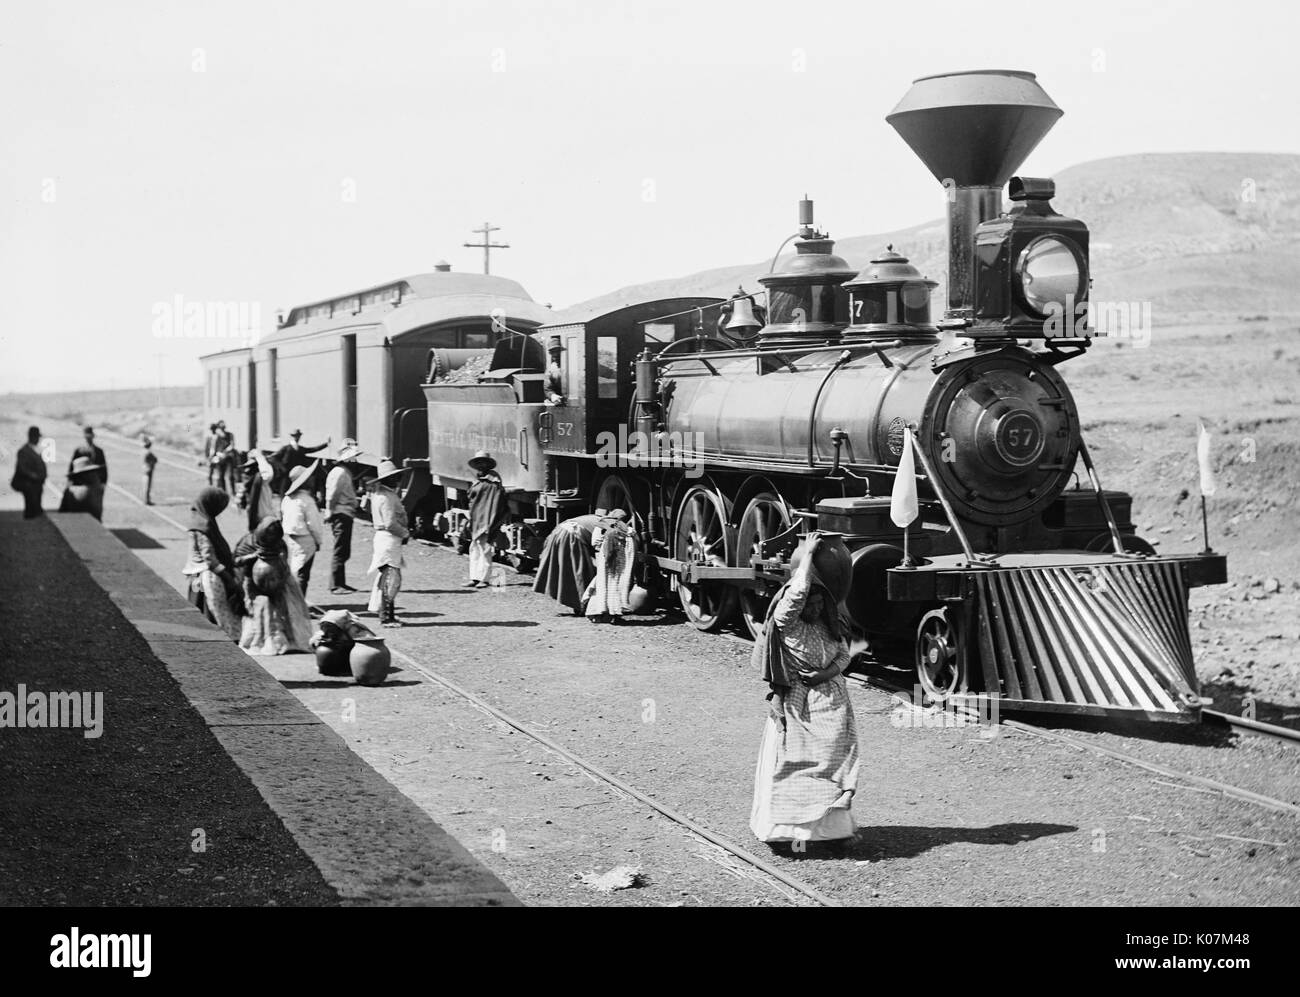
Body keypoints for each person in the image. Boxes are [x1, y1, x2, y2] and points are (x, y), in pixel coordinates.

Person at [750, 533, 860, 846]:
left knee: (835, 758)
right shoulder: (789, 623)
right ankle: (790, 832)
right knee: (798, 762)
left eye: (817, 602)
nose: (812, 606)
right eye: (808, 603)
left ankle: (832, 830)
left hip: (832, 703)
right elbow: (796, 593)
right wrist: (809, 556)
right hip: (798, 704)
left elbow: (842, 655)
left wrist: (825, 672)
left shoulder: (827, 626)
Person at [234, 516, 313, 655]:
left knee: (284, 607)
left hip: (277, 580)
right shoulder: (248, 541)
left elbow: (284, 560)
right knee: (262, 608)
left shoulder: (279, 542)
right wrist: (253, 557)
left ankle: (285, 638)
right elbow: (235, 561)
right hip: (252, 583)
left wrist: (279, 562)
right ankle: (260, 639)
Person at [181, 486, 243, 641]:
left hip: (196, 576)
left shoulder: (199, 517)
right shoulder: (203, 526)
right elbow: (209, 558)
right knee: (210, 612)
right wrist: (227, 577)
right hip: (205, 577)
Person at [366, 459, 408, 627]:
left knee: (388, 577)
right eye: (393, 477)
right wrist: (405, 533)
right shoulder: (387, 497)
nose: (397, 480)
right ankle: (386, 617)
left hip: (384, 538)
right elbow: (390, 523)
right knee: (391, 578)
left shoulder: (379, 494)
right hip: (388, 538)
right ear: (386, 479)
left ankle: (388, 614)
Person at [532, 513, 601, 614]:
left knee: (567, 570)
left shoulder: (598, 519)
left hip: (558, 531)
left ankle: (579, 604)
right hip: (572, 535)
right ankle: (582, 605)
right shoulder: (612, 528)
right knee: (579, 572)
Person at [584, 509, 638, 623]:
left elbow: (595, 543)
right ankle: (614, 615)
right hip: (620, 562)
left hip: (605, 560)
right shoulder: (627, 529)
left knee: (601, 584)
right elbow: (635, 541)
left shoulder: (601, 525)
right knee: (616, 585)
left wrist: (604, 548)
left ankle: (597, 613)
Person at [281, 460, 324, 596]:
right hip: (306, 540)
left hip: (290, 538)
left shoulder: (287, 499)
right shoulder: (307, 500)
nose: (312, 479)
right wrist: (318, 541)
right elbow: (314, 526)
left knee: (295, 570)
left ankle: (295, 600)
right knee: (303, 574)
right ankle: (299, 602)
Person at [465, 451, 506, 589]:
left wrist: (491, 521)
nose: (480, 465)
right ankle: (474, 577)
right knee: (474, 548)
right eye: (478, 463)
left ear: (488, 464)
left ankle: (485, 579)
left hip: (487, 519)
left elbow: (495, 503)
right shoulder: (477, 480)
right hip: (476, 518)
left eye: (483, 462)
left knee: (485, 549)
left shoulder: (493, 481)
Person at [325, 445, 362, 593]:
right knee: (340, 549)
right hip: (341, 513)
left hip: (344, 512)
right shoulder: (340, 473)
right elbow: (333, 494)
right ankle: (335, 584)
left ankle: (341, 582)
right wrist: (329, 510)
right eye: (352, 457)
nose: (355, 460)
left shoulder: (343, 472)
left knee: (343, 549)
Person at [273, 429, 329, 497]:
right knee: (284, 492)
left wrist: (325, 444)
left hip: (296, 476)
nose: (297, 438)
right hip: (286, 475)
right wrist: (282, 468)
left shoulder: (300, 449)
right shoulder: (286, 448)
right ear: (292, 437)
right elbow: (275, 458)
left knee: (296, 493)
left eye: (298, 436)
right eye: (295, 436)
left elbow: (312, 449)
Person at [10, 426, 47, 518]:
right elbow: (22, 468)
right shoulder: (23, 451)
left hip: (37, 482)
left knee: (36, 499)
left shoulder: (36, 450)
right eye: (37, 437)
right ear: (32, 437)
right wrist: (34, 476)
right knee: (31, 501)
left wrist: (41, 476)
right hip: (27, 482)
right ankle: (31, 517)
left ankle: (35, 515)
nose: (38, 439)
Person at [238, 449, 279, 533]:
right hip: (262, 520)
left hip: (258, 519)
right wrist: (260, 457)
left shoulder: (250, 481)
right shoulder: (258, 481)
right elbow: (267, 474)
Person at [58, 455, 106, 521]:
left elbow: (62, 512)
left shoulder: (70, 491)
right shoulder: (97, 489)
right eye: (93, 473)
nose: (96, 475)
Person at [543, 336, 566, 406]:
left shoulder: (572, 365)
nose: (555, 355)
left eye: (557, 351)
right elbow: (547, 388)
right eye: (553, 352)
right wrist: (553, 396)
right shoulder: (551, 369)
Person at [141, 437, 158, 505]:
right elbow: (155, 459)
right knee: (147, 486)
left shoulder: (144, 451)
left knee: (146, 485)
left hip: (145, 469)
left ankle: (146, 500)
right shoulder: (148, 452)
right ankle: (147, 500)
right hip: (148, 470)